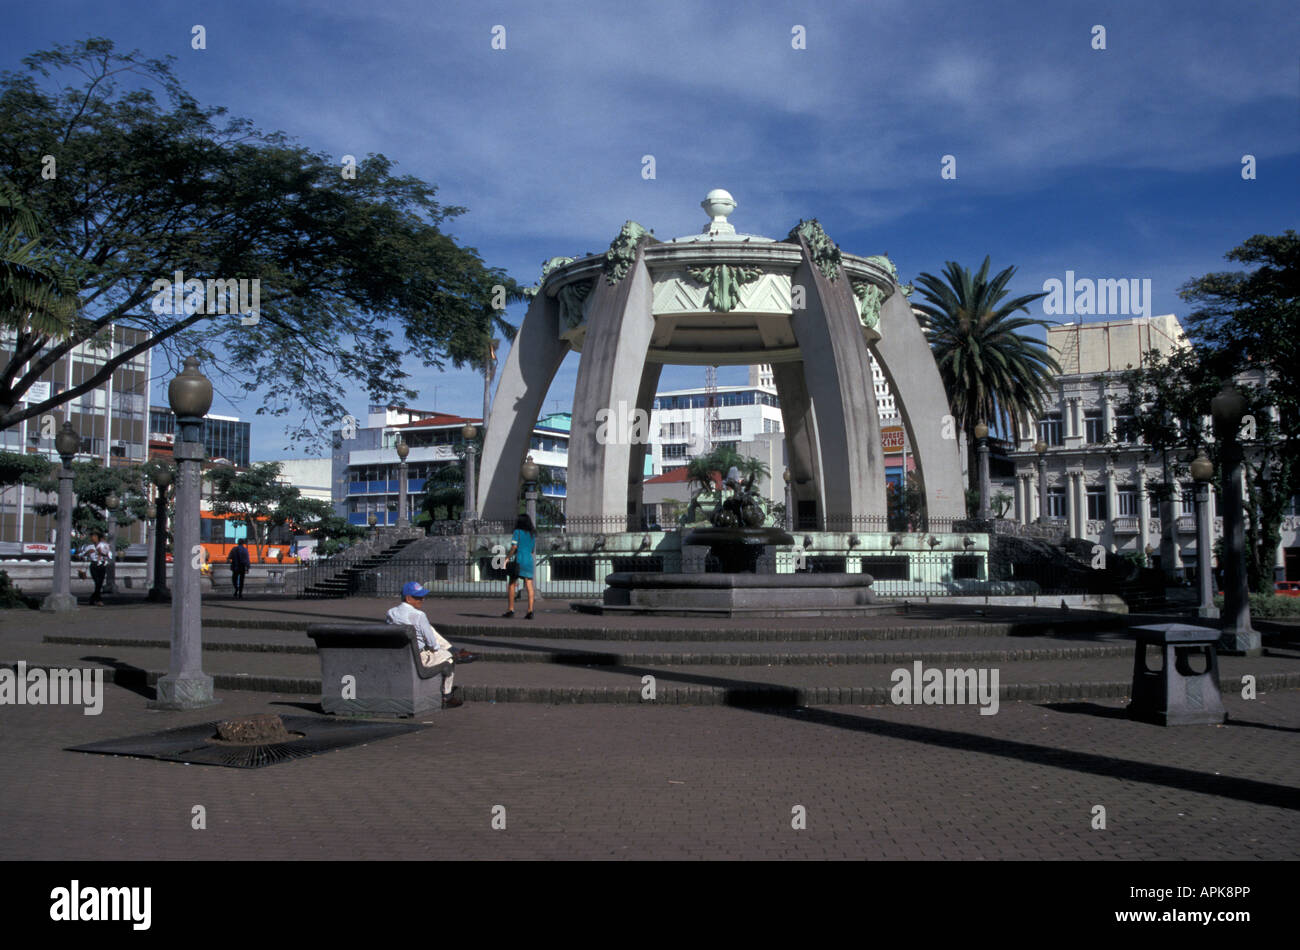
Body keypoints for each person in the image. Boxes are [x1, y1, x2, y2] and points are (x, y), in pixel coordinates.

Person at [386, 581, 478, 709]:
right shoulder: (419, 615)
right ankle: (447, 695)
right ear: (408, 598)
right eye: (418, 597)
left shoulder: (391, 613)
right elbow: (432, 644)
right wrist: (438, 649)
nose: (422, 599)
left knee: (429, 629)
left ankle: (453, 650)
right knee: (450, 659)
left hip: (403, 655)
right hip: (422, 658)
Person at [503, 513, 536, 619]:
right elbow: (532, 550)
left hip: (520, 559)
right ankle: (530, 611)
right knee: (529, 585)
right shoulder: (532, 534)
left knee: (512, 583)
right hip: (529, 560)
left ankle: (511, 609)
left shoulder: (517, 532)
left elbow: (514, 547)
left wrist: (507, 557)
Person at [78, 530, 112, 606]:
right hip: (94, 565)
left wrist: (103, 553)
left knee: (99, 583)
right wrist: (88, 553)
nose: (93, 538)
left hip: (102, 565)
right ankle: (98, 600)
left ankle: (93, 599)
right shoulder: (89, 547)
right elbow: (80, 555)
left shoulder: (103, 545)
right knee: (97, 582)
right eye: (92, 537)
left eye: (95, 536)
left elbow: (109, 555)